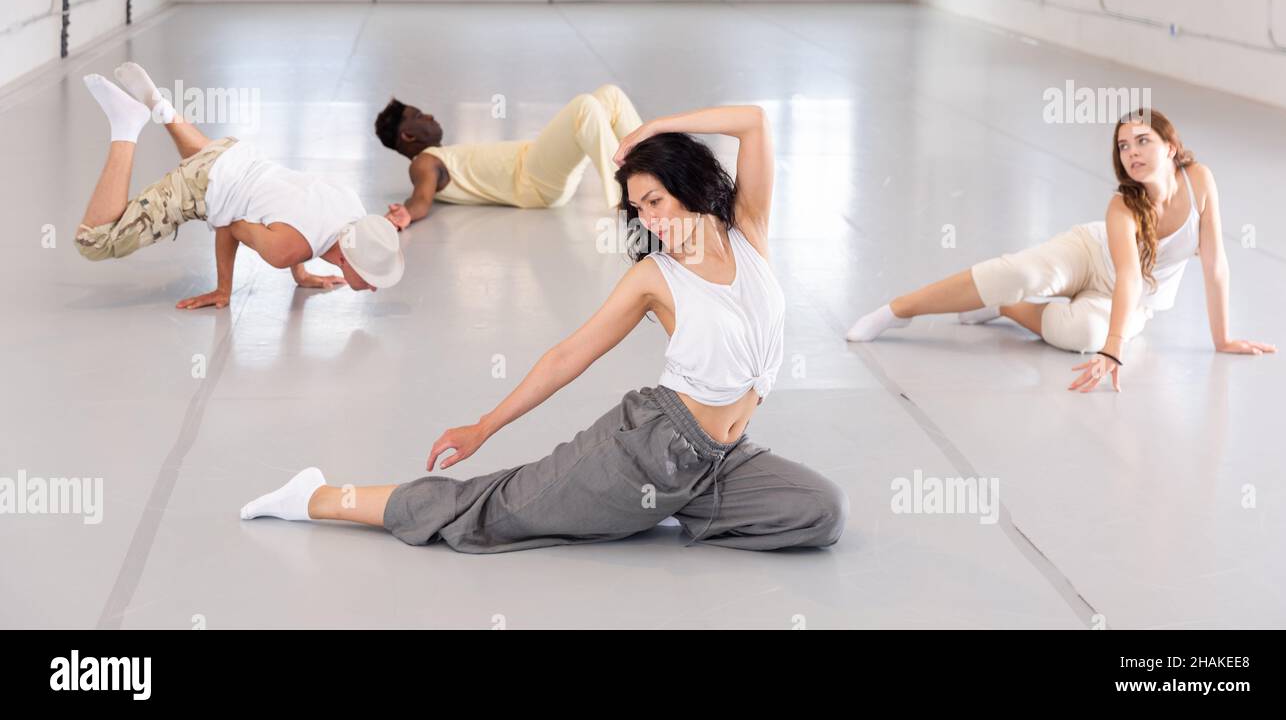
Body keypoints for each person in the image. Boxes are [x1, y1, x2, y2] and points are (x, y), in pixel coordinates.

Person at [241, 105, 848, 552]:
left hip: (720, 459)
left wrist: (650, 132)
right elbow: (568, 356)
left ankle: (663, 507)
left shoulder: (747, 230)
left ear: (688, 185)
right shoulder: (654, 278)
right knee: (495, 511)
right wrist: (484, 425)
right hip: (645, 451)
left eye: (656, 200)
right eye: (637, 209)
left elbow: (754, 121)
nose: (648, 219)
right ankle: (317, 498)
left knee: (819, 511)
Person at [846, 109, 1276, 392]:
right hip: (1089, 254)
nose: (1132, 153)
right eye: (1123, 146)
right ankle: (898, 311)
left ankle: (1005, 309)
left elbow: (1215, 264)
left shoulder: (1199, 180)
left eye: (1142, 141)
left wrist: (1222, 339)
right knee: (1020, 274)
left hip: (1136, 299)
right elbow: (1126, 272)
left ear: (1171, 146)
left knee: (1085, 335)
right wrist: (1116, 347)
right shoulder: (1123, 203)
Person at [75, 63, 405, 308]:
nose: (375, 288)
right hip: (202, 185)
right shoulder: (285, 250)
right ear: (346, 261)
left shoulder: (352, 209)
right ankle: (126, 125)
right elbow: (230, 226)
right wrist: (223, 290)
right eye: (373, 279)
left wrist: (301, 276)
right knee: (94, 242)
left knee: (207, 166)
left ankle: (163, 108)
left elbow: (298, 215)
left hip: (232, 155)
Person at [374, 84, 642, 230]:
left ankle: (658, 172)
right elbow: (421, 199)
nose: (430, 117)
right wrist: (406, 212)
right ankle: (632, 196)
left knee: (611, 96)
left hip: (538, 168)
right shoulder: (425, 163)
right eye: (420, 117)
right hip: (532, 179)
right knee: (584, 106)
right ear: (408, 136)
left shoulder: (440, 156)